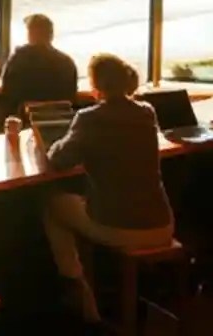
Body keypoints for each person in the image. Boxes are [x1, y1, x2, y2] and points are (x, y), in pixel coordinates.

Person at [41, 54, 174, 325]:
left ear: (95, 83)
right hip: (163, 224)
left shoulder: (88, 118)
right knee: (83, 202)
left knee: (53, 204)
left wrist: (43, 143)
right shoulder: (147, 112)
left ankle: (75, 285)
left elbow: (58, 160)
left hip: (119, 228)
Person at [0, 14, 80, 120]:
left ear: (30, 35)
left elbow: (7, 92)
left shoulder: (18, 60)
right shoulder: (67, 62)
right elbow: (71, 95)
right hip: (61, 121)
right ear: (51, 35)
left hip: (25, 121)